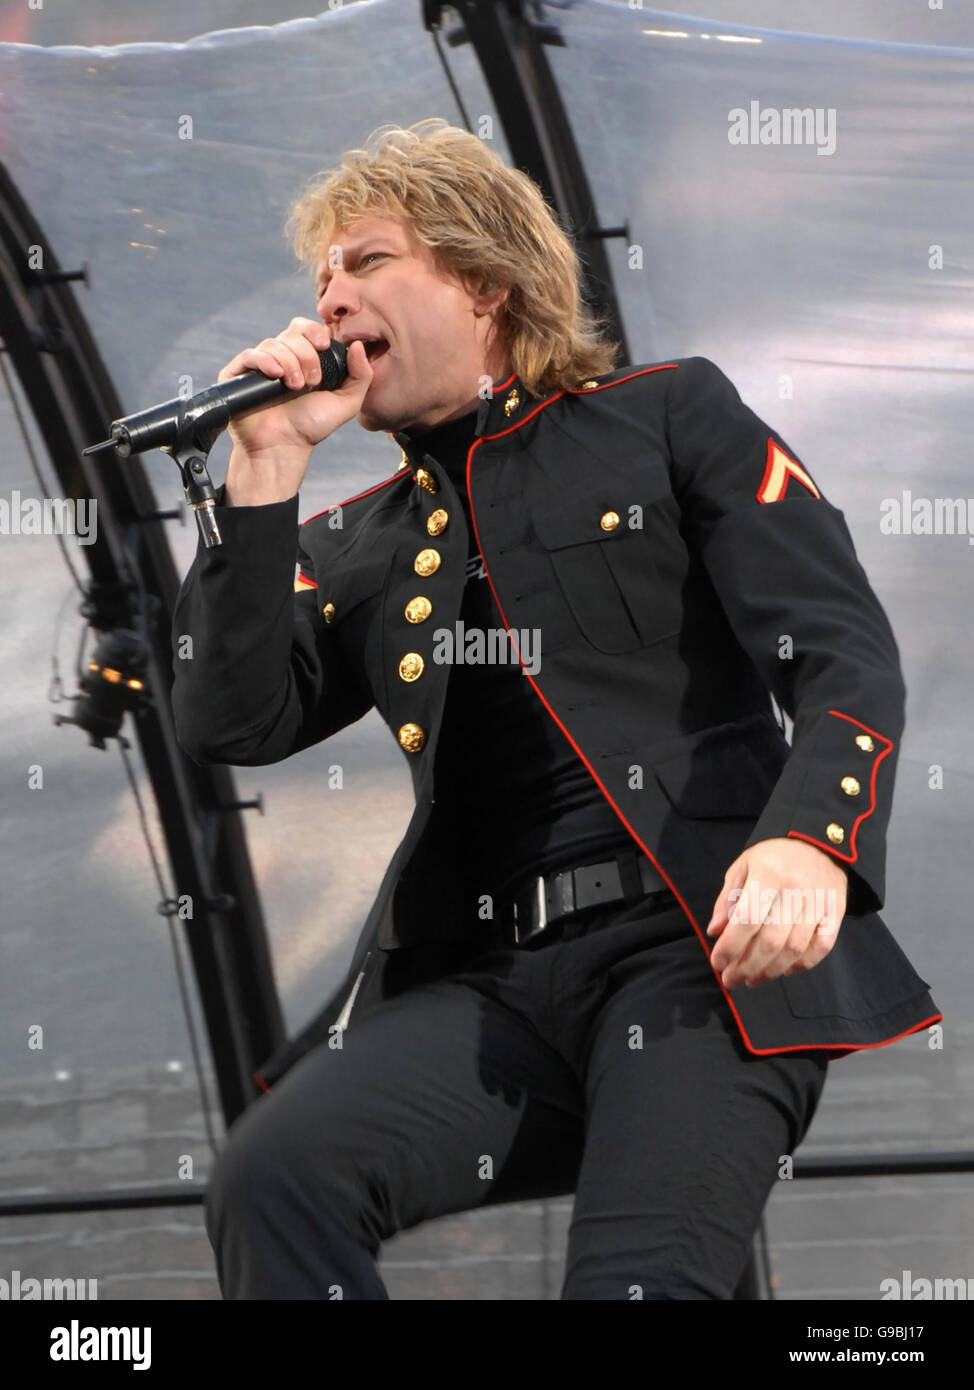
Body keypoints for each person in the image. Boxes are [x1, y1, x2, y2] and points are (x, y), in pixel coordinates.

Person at [171, 118, 940, 1300]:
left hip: (693, 955)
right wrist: (263, 470)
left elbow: (837, 649)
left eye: (364, 260)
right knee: (275, 1176)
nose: (329, 298)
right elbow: (229, 721)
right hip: (486, 988)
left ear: (482, 280)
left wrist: (809, 839)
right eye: (319, 277)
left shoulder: (666, 414)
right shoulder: (356, 539)